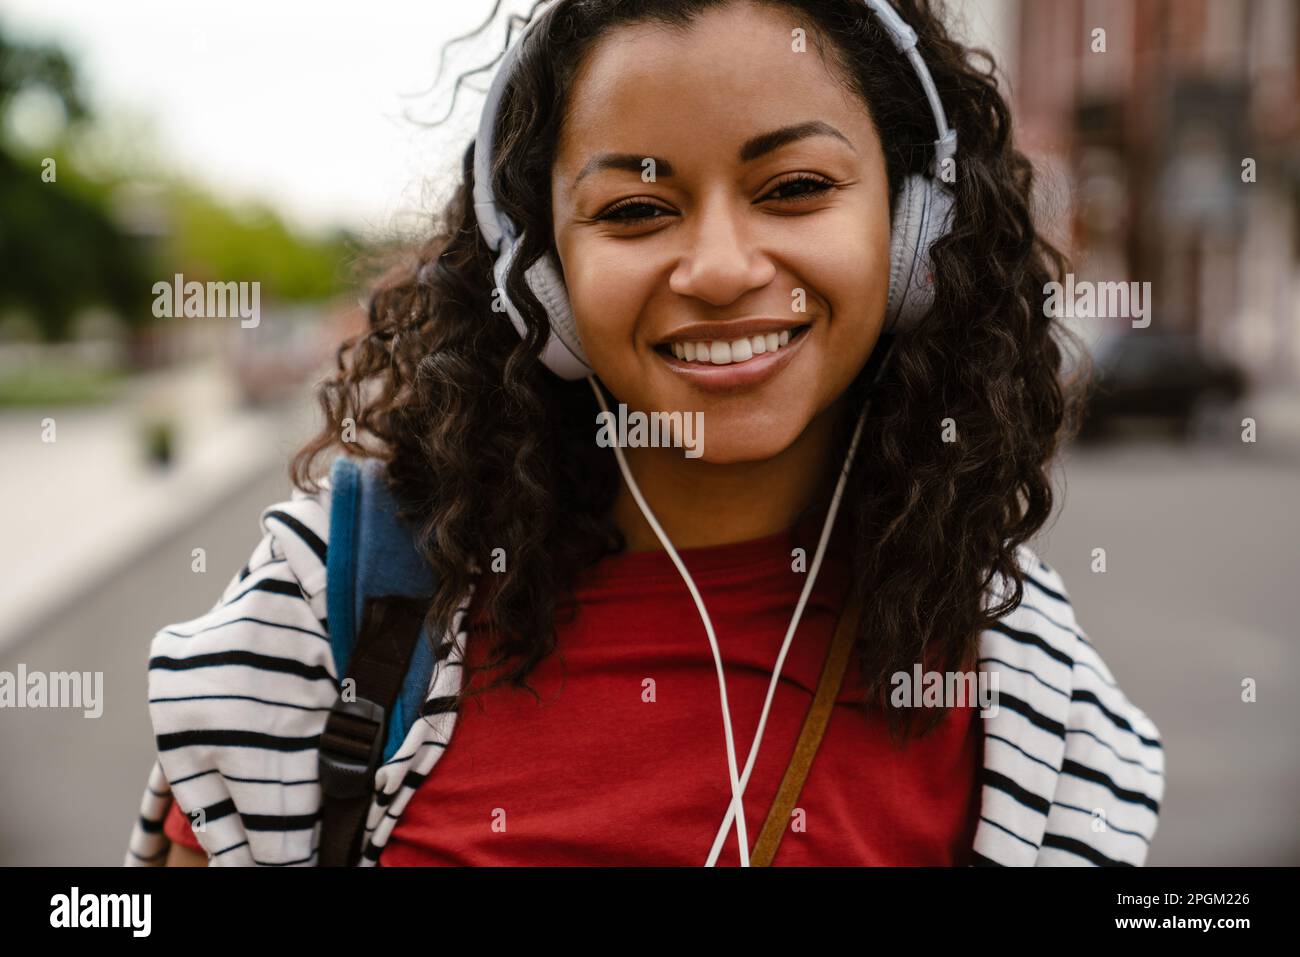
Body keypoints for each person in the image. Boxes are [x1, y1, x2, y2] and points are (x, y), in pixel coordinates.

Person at [125, 0, 1164, 868]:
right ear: (542, 280)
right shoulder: (333, 607)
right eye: (633, 210)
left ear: (913, 233)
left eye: (794, 188)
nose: (717, 268)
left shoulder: (1022, 682)